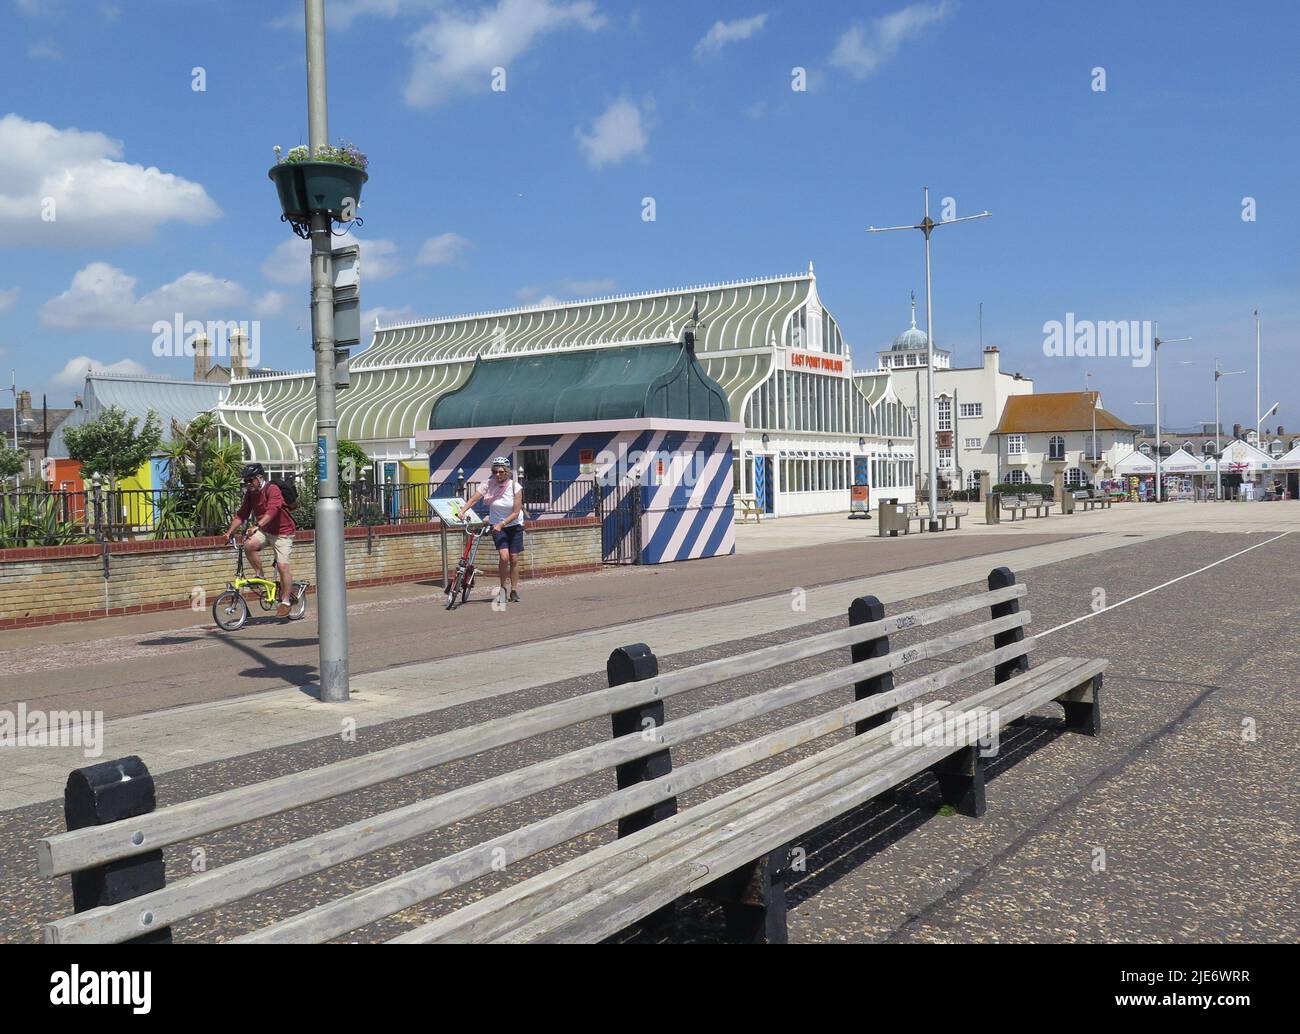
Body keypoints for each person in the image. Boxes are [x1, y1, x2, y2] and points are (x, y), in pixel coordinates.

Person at [223, 463, 299, 618]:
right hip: (266, 531)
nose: (248, 484)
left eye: (250, 480)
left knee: (282, 566)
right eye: (245, 481)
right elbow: (242, 514)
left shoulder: (272, 489)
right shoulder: (251, 494)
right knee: (249, 545)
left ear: (259, 478)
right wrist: (229, 532)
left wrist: (257, 526)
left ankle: (285, 602)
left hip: (283, 532)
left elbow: (273, 510)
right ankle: (260, 576)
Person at [459, 456, 524, 603]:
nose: (497, 474)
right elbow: (473, 499)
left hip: (514, 525)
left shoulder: (515, 487)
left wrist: (502, 523)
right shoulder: (488, 484)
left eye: (501, 472)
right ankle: (503, 588)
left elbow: (515, 512)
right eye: (495, 471)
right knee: (504, 557)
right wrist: (462, 511)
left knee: (514, 558)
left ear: (507, 472)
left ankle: (514, 590)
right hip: (497, 526)